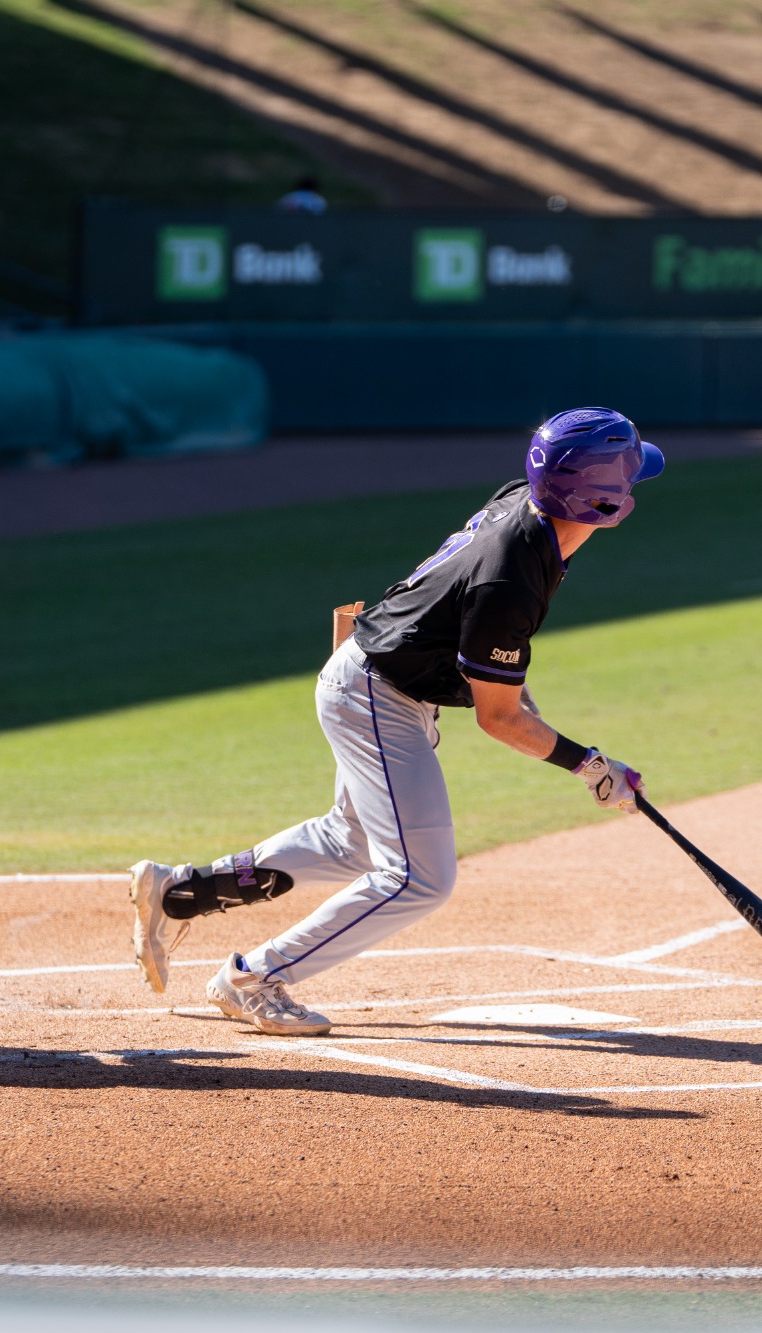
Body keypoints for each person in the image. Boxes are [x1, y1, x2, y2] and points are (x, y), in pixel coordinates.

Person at [127, 409, 662, 1034]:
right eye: (627, 477)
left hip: (377, 677)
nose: (633, 485)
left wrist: (538, 716)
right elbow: (498, 718)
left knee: (348, 842)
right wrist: (591, 766)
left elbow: (485, 654)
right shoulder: (512, 575)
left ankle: (178, 894)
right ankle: (255, 977)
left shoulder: (530, 512)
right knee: (420, 878)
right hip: (378, 698)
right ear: (600, 500)